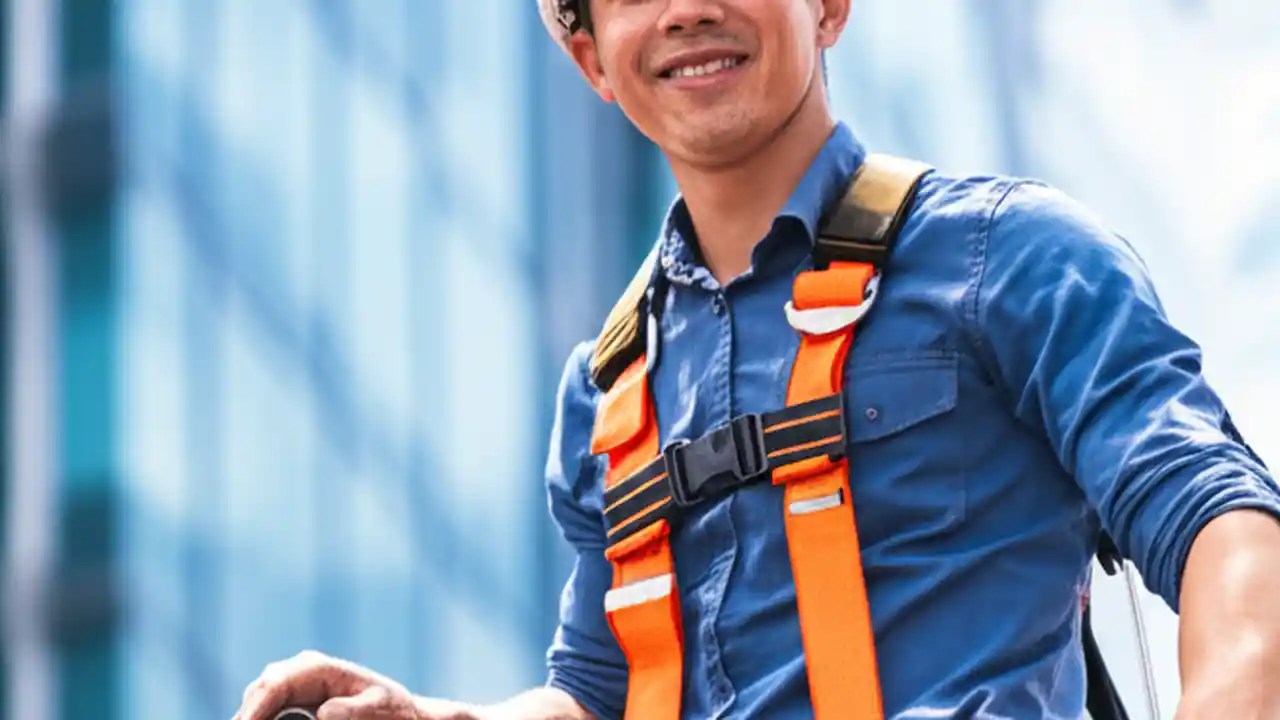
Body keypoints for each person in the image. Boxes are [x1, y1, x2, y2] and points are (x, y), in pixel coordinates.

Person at [232, 1, 1280, 718]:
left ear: (828, 2)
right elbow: (603, 692)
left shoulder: (1006, 259)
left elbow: (1219, 523)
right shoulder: (607, 392)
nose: (685, 8)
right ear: (589, 54)